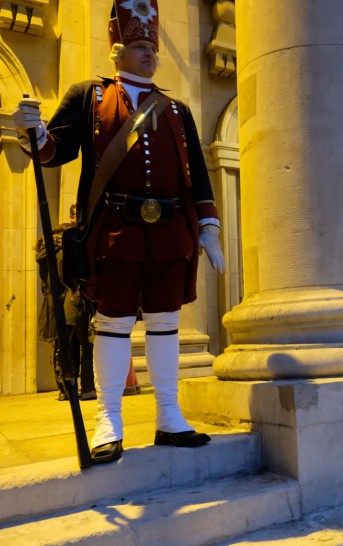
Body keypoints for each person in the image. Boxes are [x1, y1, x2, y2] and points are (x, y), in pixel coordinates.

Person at [13, 0, 225, 464]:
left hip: (170, 230)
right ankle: (108, 419)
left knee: (166, 321)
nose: (148, 52)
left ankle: (170, 416)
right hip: (116, 230)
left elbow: (198, 176)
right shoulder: (89, 96)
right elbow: (55, 152)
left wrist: (208, 223)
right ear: (117, 50)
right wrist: (36, 133)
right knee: (113, 323)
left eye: (151, 44)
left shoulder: (177, 109)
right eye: (138, 44)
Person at [35, 205, 96, 401]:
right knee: (80, 345)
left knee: (65, 345)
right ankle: (83, 388)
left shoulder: (48, 246)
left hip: (60, 300)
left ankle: (67, 389)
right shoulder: (73, 242)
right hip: (74, 298)